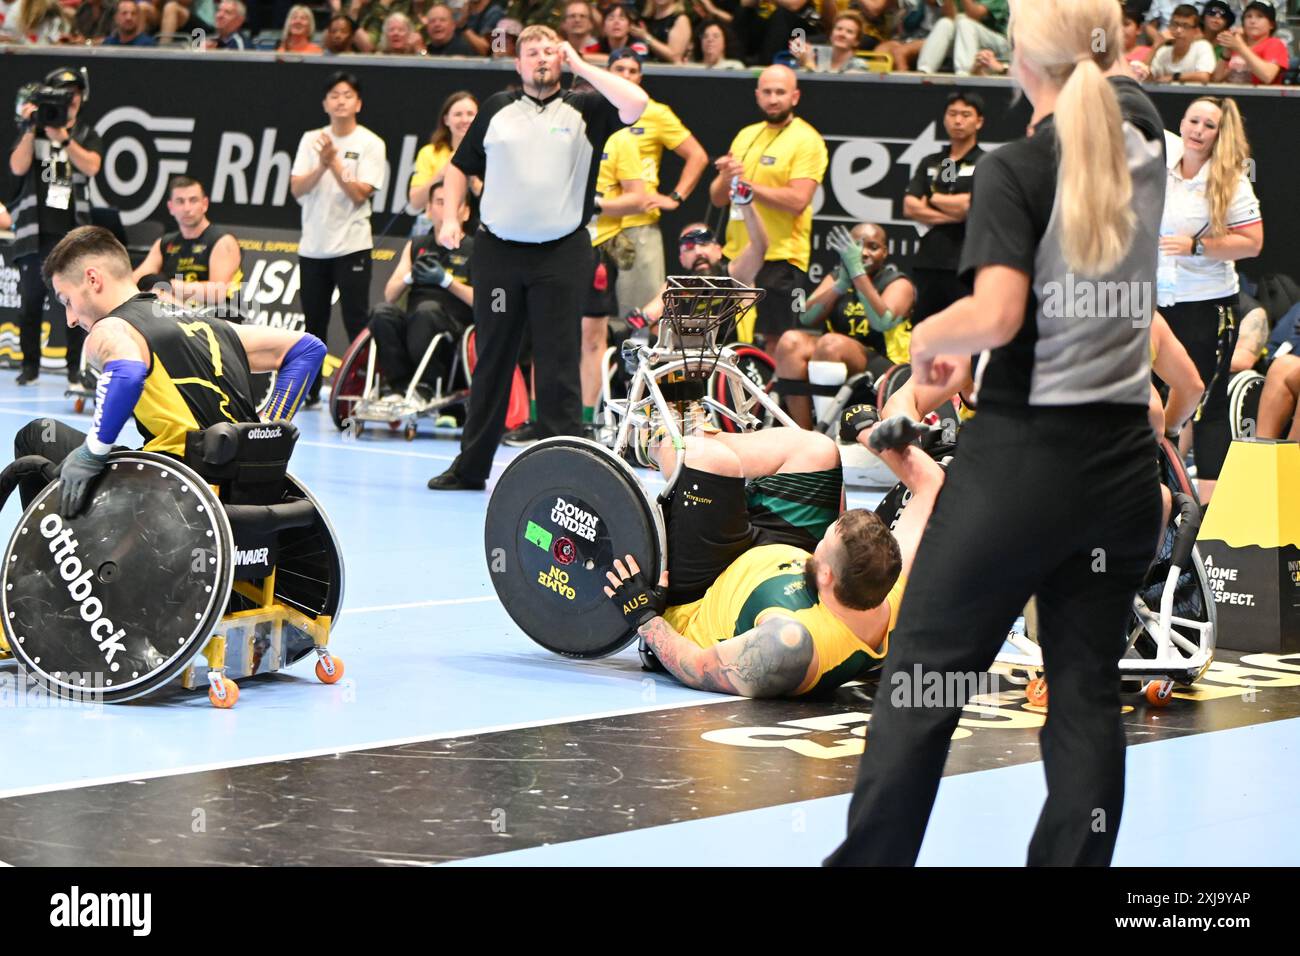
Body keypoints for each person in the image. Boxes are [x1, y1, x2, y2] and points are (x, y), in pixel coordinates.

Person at [829, 0, 1167, 867]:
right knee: (1085, 692)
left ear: (1019, 61)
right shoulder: (1145, 137)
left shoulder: (1015, 166)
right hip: (1125, 469)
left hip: (1022, 468)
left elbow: (1001, 308)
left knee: (924, 679)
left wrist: (936, 341)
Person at [426, 26, 647, 490]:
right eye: (532, 51)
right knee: (494, 358)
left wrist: (583, 67)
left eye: (551, 50)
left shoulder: (585, 107)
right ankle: (470, 468)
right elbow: (459, 167)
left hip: (561, 255)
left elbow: (636, 103)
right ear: (518, 62)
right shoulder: (497, 109)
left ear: (562, 57)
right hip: (500, 255)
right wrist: (449, 217)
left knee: (558, 362)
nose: (542, 58)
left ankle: (564, 472)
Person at [602, 423, 938, 697]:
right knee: (817, 450)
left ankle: (653, 439)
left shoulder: (790, 644)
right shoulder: (887, 589)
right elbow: (929, 483)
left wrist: (646, 619)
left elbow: (699, 668)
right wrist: (868, 430)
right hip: (778, 555)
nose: (823, 536)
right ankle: (693, 427)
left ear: (826, 576)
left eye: (825, 539)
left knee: (708, 460)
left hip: (704, 594)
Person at [15, 227, 325, 518]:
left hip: (175, 494)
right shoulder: (207, 324)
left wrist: (93, 453)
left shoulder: (110, 328)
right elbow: (308, 349)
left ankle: (43, 563)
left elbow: (127, 372)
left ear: (93, 279)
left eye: (67, 301)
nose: (69, 319)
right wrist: (269, 427)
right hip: (247, 490)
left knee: (37, 435)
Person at [1159, 96, 1261, 502]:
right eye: (1193, 121)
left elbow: (1252, 243)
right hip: (1156, 301)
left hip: (1208, 304)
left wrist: (1196, 246)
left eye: (1209, 125)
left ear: (1220, 134)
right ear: (1180, 124)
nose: (1198, 131)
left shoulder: (1231, 179)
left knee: (1204, 406)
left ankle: (1208, 519)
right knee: (1157, 400)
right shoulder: (1161, 158)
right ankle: (1164, 498)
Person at [708, 65, 827, 352]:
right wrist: (727, 178)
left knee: (776, 342)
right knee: (725, 343)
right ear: (757, 95)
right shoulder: (746, 135)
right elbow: (717, 198)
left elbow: (798, 200)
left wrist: (746, 185)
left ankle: (774, 398)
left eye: (780, 93)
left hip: (780, 256)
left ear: (795, 97)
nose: (773, 99)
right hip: (736, 257)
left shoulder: (807, 140)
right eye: (768, 92)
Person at [290, 72, 387, 407]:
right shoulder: (310, 139)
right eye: (334, 94)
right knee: (314, 321)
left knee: (356, 320)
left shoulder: (371, 143)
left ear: (358, 103)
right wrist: (321, 164)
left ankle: (363, 388)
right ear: (325, 103)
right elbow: (297, 188)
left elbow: (360, 194)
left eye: (347, 95)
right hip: (313, 247)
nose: (341, 100)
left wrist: (335, 163)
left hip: (352, 246)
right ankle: (311, 389)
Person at [8, 67, 102, 387]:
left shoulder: (85, 133)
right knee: (30, 302)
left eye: (74, 93)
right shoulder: (32, 131)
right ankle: (29, 365)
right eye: (63, 93)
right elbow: (17, 167)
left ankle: (74, 370)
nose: (70, 99)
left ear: (80, 98)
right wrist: (29, 128)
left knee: (75, 303)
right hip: (35, 232)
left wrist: (63, 138)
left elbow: (92, 166)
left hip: (72, 234)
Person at [775, 222, 915, 428]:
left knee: (831, 344)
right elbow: (806, 318)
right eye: (857, 246)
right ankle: (802, 432)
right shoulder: (837, 277)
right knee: (790, 342)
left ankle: (827, 431)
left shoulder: (898, 283)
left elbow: (882, 322)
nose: (864, 253)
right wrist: (840, 286)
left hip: (884, 363)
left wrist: (858, 275)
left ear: (885, 252)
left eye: (872, 247)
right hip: (832, 355)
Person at [604, 48, 709, 320]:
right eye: (619, 69)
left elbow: (697, 156)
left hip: (638, 225)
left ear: (641, 77)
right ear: (607, 73)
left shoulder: (656, 113)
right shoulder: (594, 108)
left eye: (633, 70)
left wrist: (675, 197)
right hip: (595, 224)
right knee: (592, 316)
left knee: (640, 316)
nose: (626, 75)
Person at [370, 182, 475, 404]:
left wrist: (446, 281)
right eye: (440, 202)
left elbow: (482, 301)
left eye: (453, 203)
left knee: (427, 312)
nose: (446, 209)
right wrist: (410, 276)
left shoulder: (476, 250)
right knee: (382, 312)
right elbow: (390, 294)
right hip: (414, 322)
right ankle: (398, 387)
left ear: (465, 212)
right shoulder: (416, 245)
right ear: (428, 210)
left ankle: (426, 386)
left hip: (451, 330)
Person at [903, 90, 983, 324]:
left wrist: (934, 199)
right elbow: (910, 207)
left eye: (966, 115)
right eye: (953, 114)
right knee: (923, 332)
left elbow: (970, 207)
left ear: (979, 121)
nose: (958, 121)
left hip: (964, 265)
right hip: (928, 263)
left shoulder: (986, 163)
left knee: (964, 334)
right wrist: (953, 214)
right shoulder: (932, 162)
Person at [132, 176, 243, 313]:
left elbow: (217, 293)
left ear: (205, 204)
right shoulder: (164, 243)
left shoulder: (223, 241)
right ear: (171, 207)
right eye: (180, 201)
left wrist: (169, 285)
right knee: (151, 294)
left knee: (157, 292)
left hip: (220, 315)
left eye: (193, 200)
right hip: (175, 312)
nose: (187, 208)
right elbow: (134, 281)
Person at [408, 91, 480, 213]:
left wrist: (473, 179)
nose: (464, 120)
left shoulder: (489, 152)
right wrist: (441, 174)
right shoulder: (429, 153)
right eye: (458, 114)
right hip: (440, 225)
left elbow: (500, 204)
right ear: (446, 120)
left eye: (470, 114)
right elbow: (415, 202)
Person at [917, 0, 1010, 75]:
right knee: (945, 23)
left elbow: (974, 14)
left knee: (964, 22)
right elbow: (949, 16)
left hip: (998, 43)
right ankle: (924, 70)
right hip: (965, 39)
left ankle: (964, 74)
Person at [1212, 0, 1289, 85]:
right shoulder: (1236, 43)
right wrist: (1226, 53)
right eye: (1248, 16)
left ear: (1271, 25)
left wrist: (1240, 47)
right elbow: (1215, 80)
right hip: (1227, 95)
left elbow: (1267, 76)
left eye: (1260, 16)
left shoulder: (1275, 44)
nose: (1252, 21)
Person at [1148, 4, 1215, 82]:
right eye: (1175, 24)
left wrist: (1173, 77)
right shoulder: (1163, 51)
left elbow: (1203, 76)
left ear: (1196, 31)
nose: (1178, 30)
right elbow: (1146, 77)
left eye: (1186, 26)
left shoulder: (1202, 46)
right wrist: (1155, 47)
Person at [794, 10, 871, 73]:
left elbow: (831, 88)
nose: (842, 34)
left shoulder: (859, 65)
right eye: (839, 29)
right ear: (831, 35)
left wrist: (809, 63)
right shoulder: (818, 58)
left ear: (856, 41)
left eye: (849, 32)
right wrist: (802, 60)